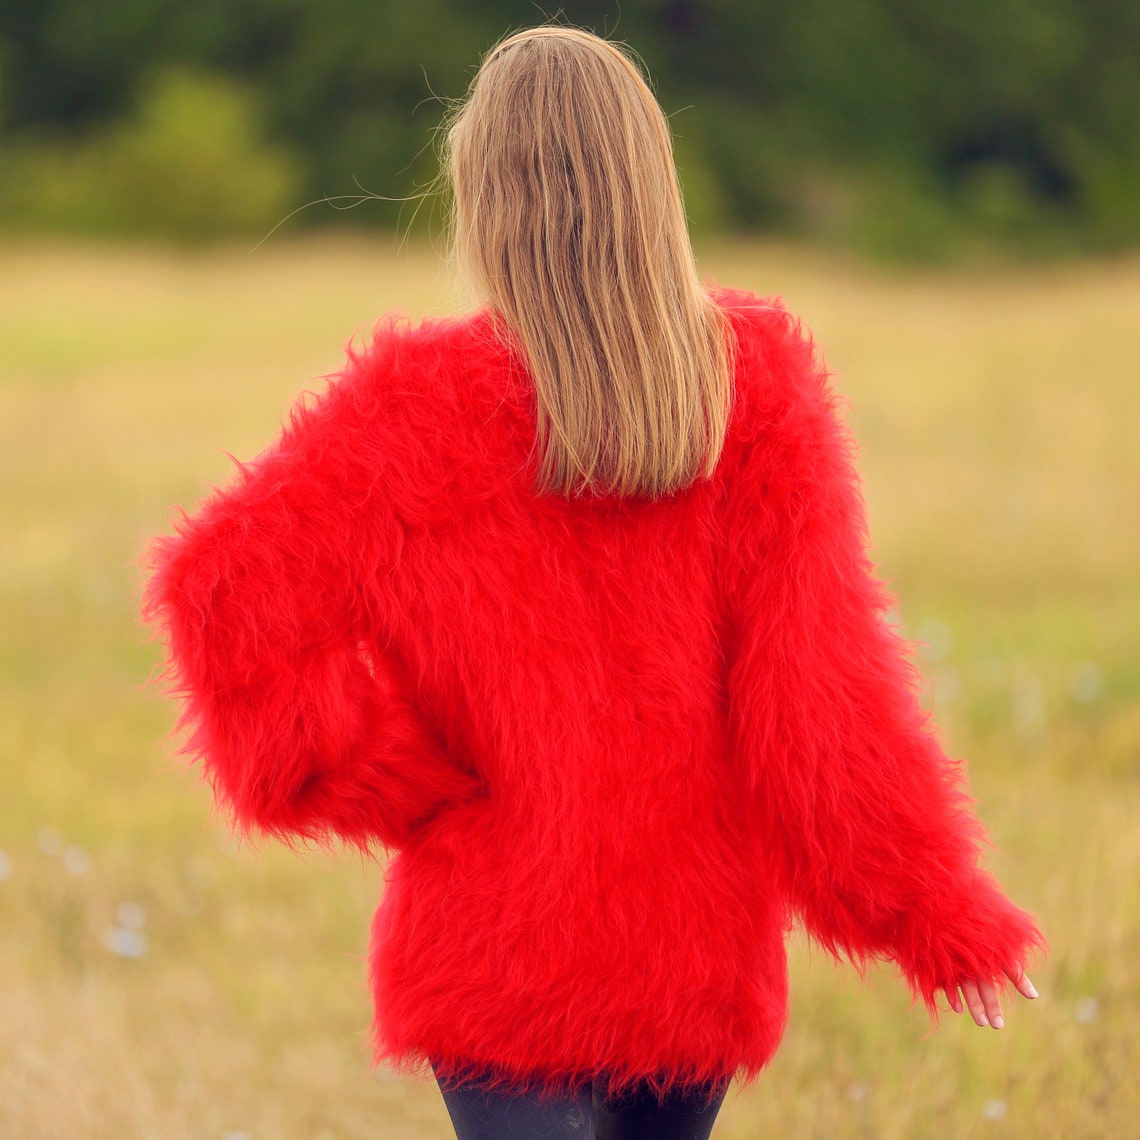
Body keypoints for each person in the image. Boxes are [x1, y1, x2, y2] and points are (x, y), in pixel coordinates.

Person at [142, 26, 1044, 1140]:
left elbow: (219, 596)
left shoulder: (408, 409)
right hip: (693, 960)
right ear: (650, 182)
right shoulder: (751, 393)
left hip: (495, 952)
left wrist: (391, 780)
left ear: (484, 195)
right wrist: (935, 914)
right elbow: (825, 713)